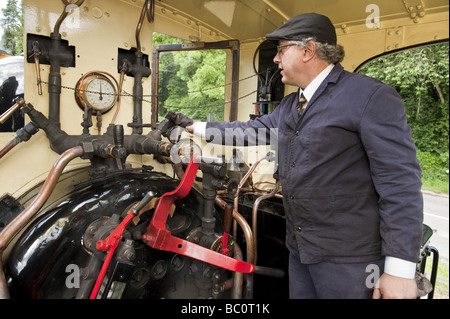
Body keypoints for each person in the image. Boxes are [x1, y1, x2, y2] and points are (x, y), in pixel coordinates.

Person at [167, 13, 423, 299]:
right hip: (300, 251)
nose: (276, 59)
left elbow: (400, 184)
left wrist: (400, 271)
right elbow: (250, 131)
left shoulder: (370, 97)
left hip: (350, 262)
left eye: (281, 49)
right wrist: (195, 126)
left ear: (308, 50)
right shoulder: (292, 104)